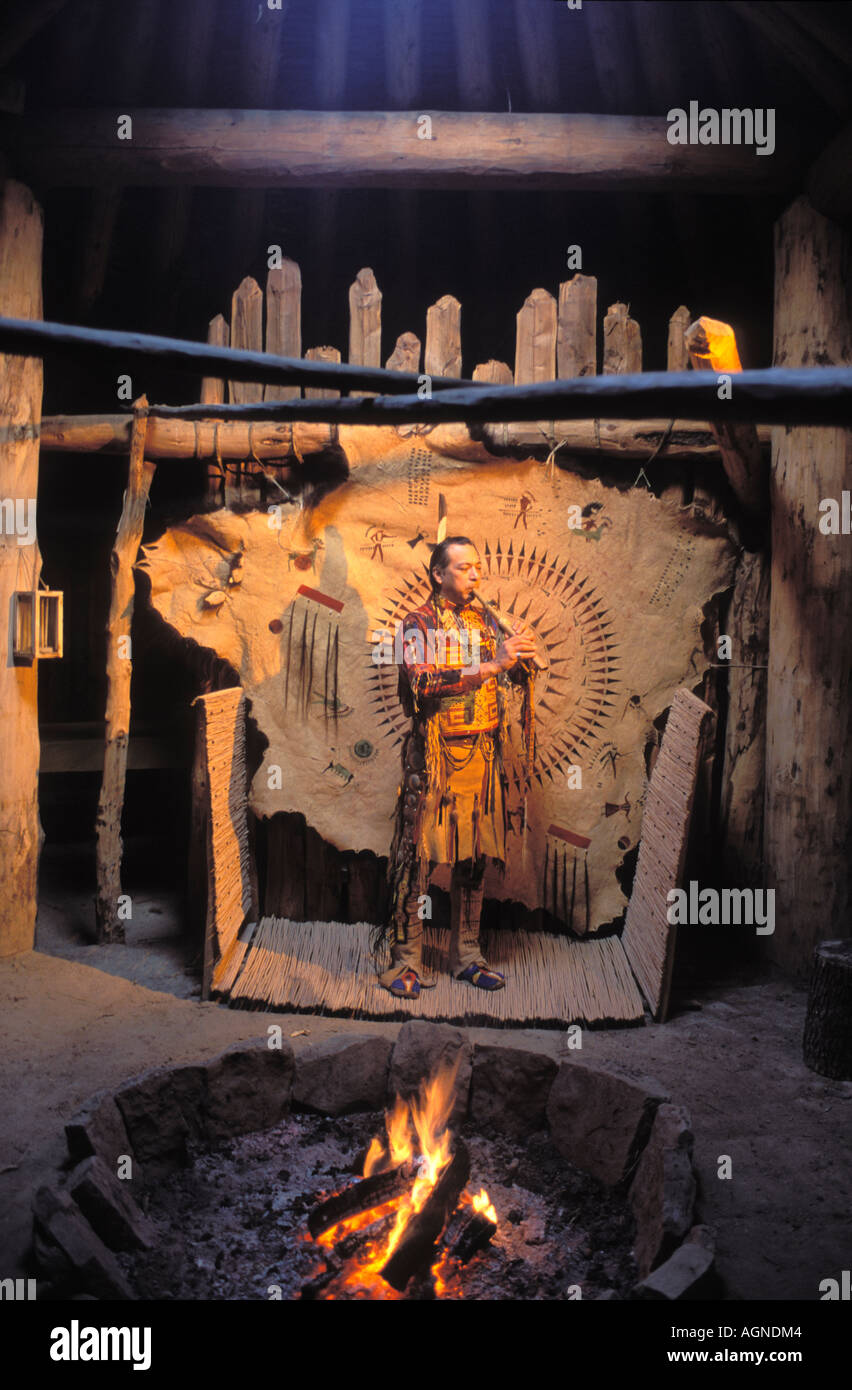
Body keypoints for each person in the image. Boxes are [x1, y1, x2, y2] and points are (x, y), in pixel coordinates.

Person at [376, 537, 538, 999]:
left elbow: (506, 673)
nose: (475, 575)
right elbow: (424, 682)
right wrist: (492, 664)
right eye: (464, 568)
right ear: (438, 574)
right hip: (436, 759)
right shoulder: (417, 623)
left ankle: (466, 955)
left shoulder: (487, 619)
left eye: (478, 567)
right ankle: (405, 961)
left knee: (474, 857)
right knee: (418, 859)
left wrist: (521, 661)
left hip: (482, 758)